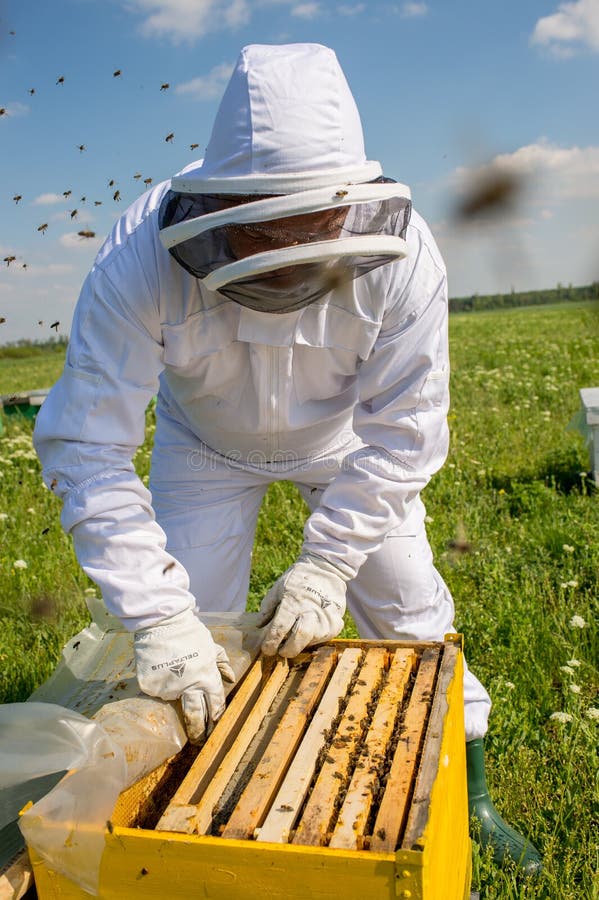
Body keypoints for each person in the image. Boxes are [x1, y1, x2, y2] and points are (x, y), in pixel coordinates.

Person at [33, 43, 541, 873]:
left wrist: (326, 567)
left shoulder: (405, 258)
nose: (287, 264)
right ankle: (195, 816)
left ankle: (469, 796)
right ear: (219, 214)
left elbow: (405, 431)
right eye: (266, 240)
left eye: (309, 241)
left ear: (348, 213)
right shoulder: (137, 256)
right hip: (204, 445)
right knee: (183, 640)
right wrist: (159, 620)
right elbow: (87, 446)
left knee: (410, 601)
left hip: (342, 445)